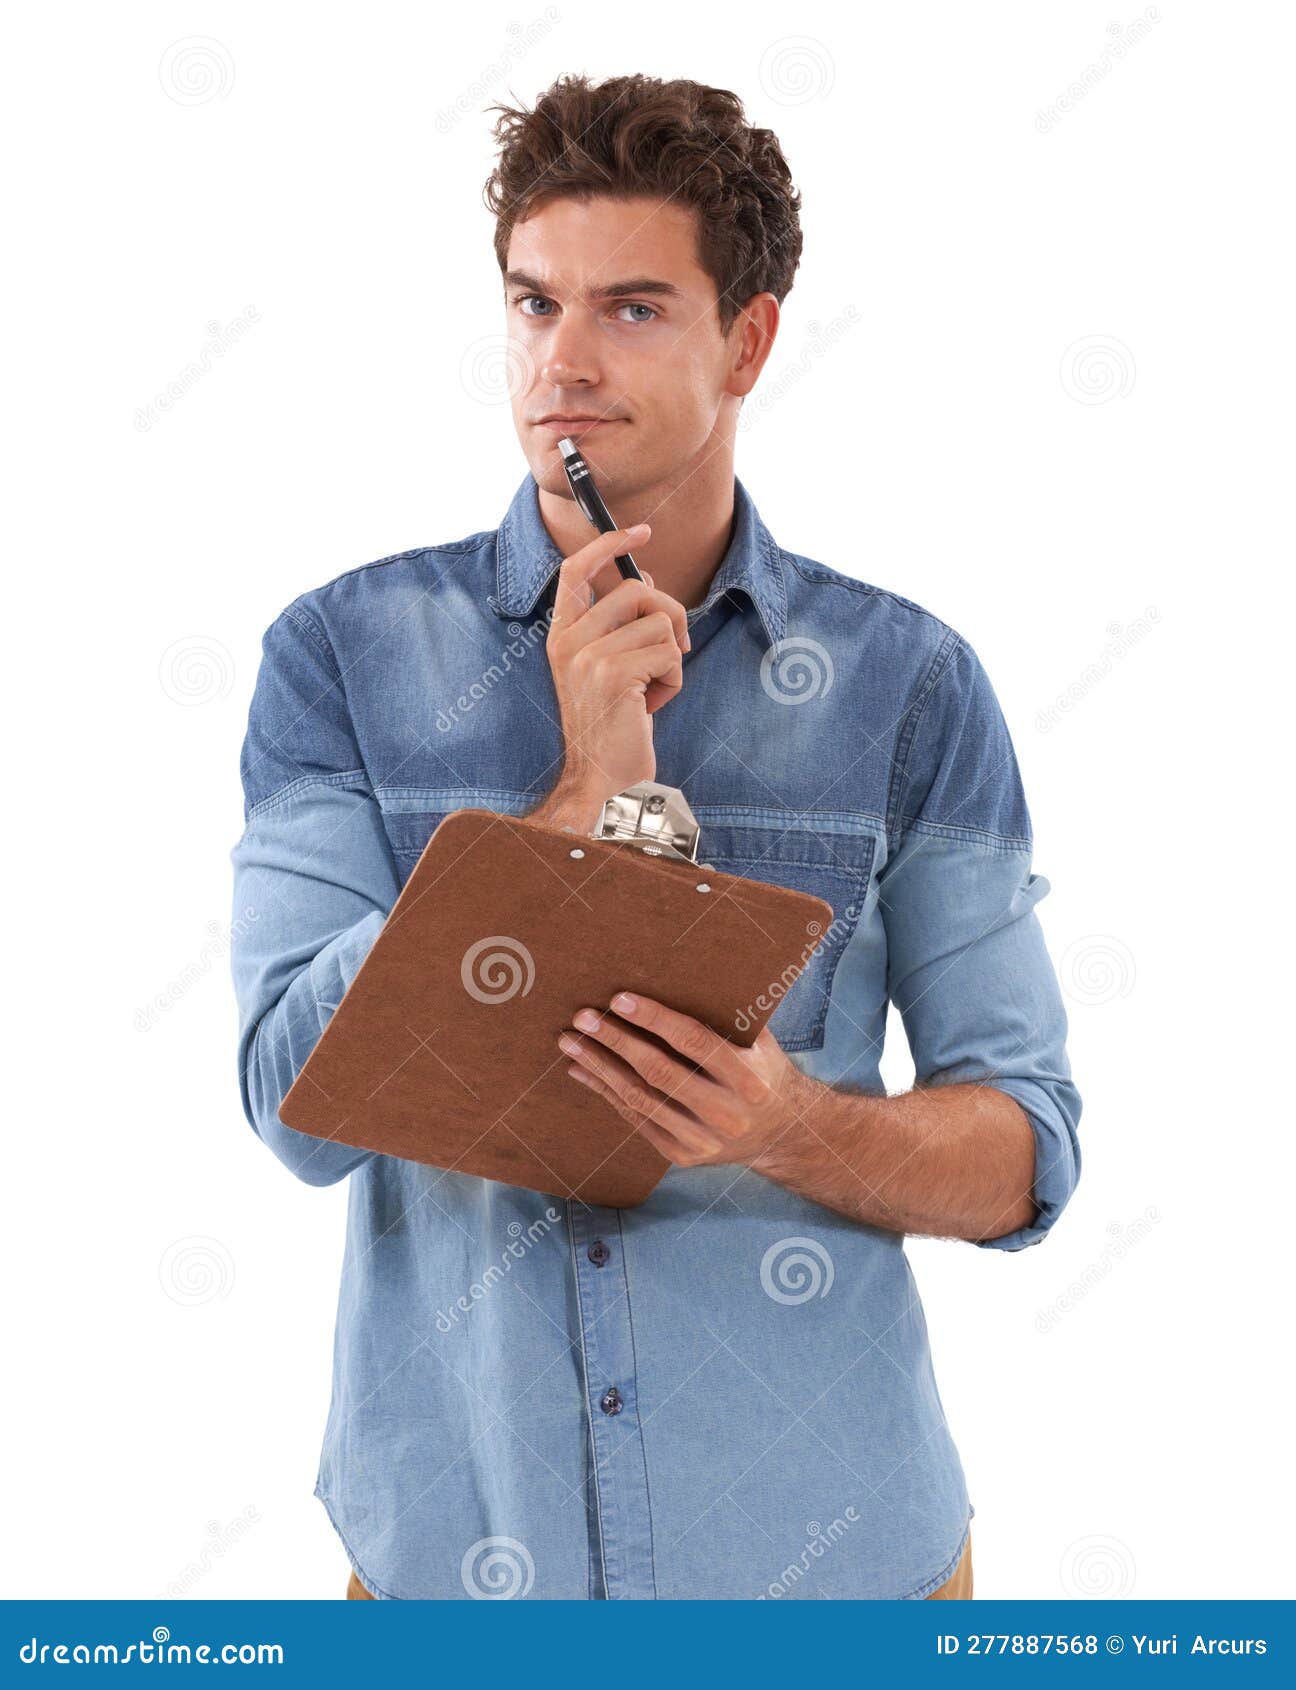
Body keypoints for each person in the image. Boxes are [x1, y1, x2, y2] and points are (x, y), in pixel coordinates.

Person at [229, 71, 1080, 1601]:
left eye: (629, 309)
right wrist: (560, 810)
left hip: (841, 1579)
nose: (561, 359)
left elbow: (1025, 1153)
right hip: (451, 1571)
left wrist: (787, 1125)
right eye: (532, 302)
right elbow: (291, 1107)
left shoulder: (911, 686)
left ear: (747, 336)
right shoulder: (341, 658)